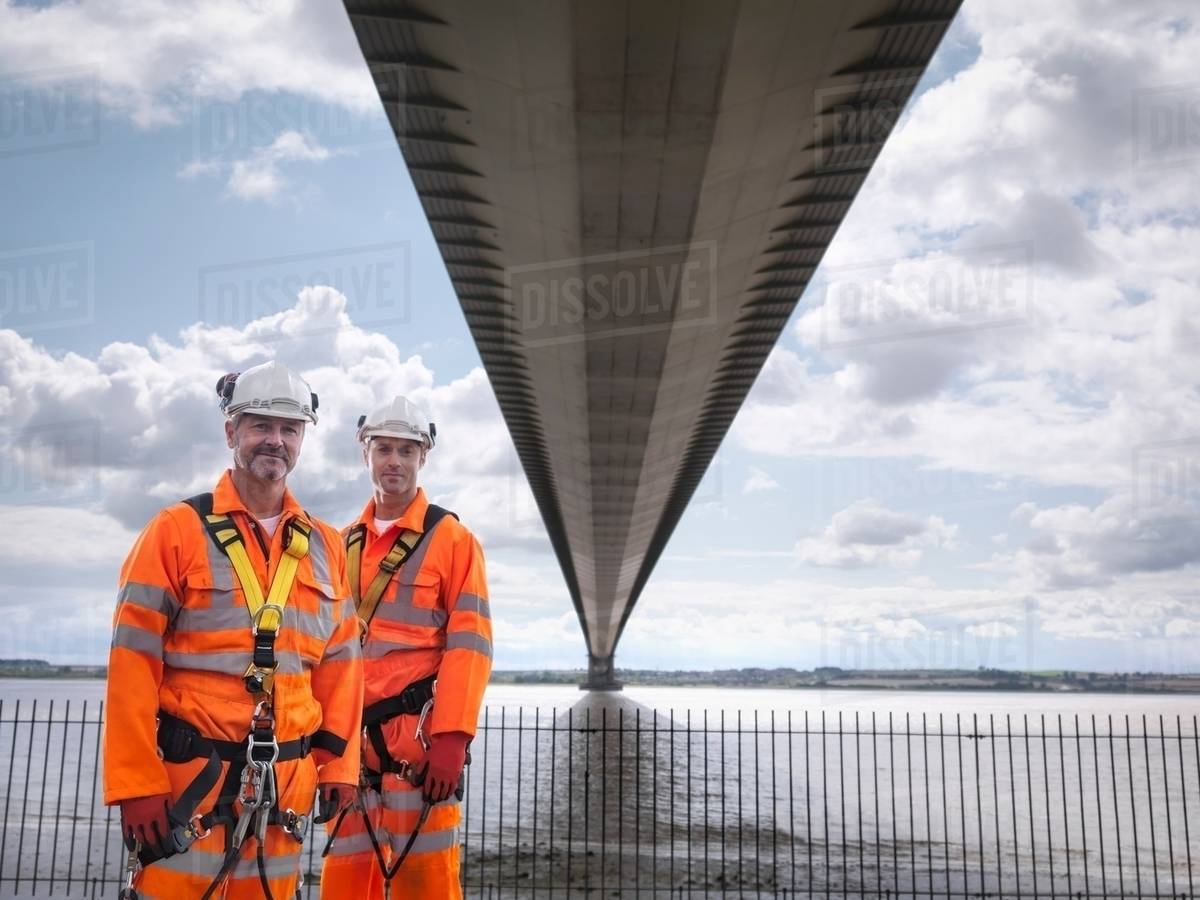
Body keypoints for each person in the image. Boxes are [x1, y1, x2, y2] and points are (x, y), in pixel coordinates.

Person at [104, 360, 364, 899]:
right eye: (260, 426)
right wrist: (135, 784)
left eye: (289, 429)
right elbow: (132, 660)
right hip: (188, 789)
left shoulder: (326, 545)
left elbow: (342, 666)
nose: (276, 440)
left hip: (287, 790)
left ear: (302, 440)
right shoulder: (175, 531)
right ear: (231, 433)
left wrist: (339, 766)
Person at [321, 396, 492, 899]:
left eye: (406, 451)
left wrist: (453, 739)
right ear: (366, 455)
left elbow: (471, 644)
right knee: (345, 886)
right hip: (348, 751)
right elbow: (322, 647)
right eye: (384, 449)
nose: (394, 461)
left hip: (418, 751)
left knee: (427, 887)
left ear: (424, 457)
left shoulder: (453, 540)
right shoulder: (339, 542)